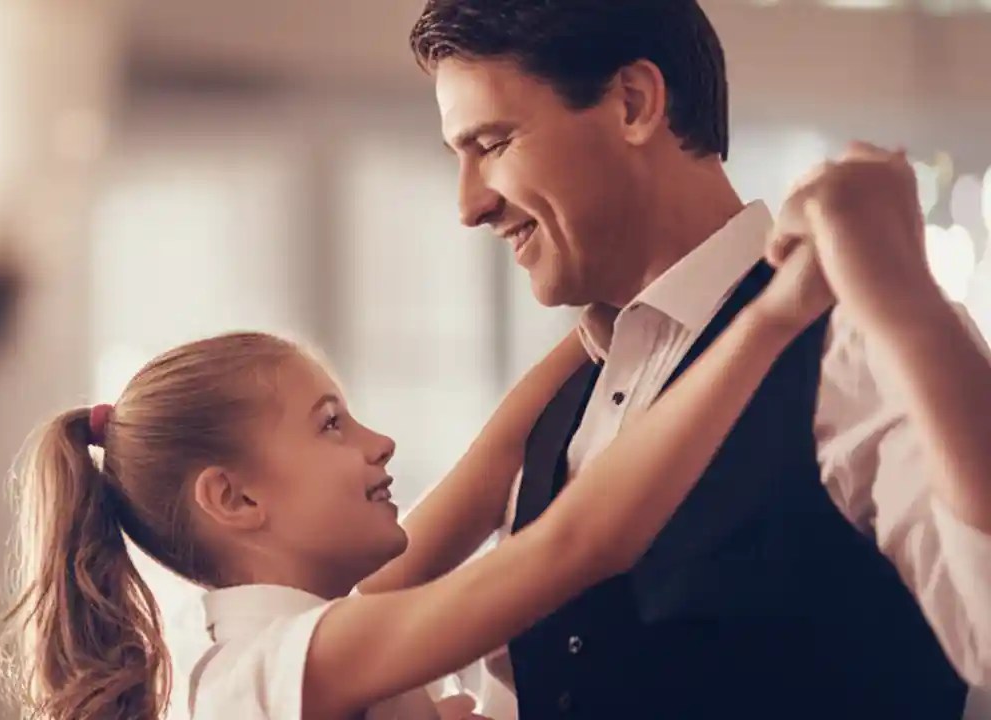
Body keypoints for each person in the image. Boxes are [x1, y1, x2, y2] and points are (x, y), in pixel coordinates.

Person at [406, 0, 990, 717]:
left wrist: (908, 305)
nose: (467, 206)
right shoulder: (556, 413)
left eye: (492, 144)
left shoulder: (860, 345)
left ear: (633, 103)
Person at [0, 238, 830, 719]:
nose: (380, 442)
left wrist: (594, 334)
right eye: (331, 425)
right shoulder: (285, 665)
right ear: (236, 499)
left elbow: (488, 470)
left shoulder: (305, 637)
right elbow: (578, 543)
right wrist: (768, 322)